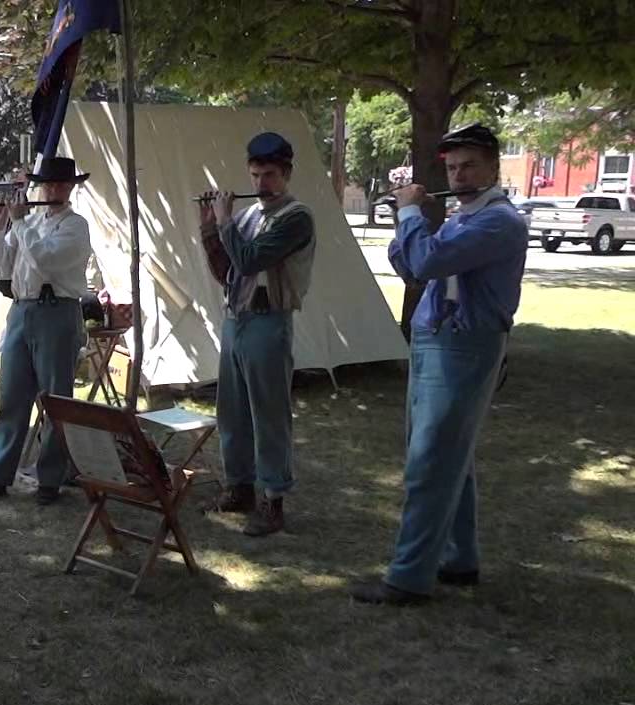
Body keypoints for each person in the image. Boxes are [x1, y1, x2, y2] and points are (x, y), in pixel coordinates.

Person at [352, 124, 527, 606]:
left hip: (463, 346)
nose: (459, 174)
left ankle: (408, 579)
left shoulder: (499, 222)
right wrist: (402, 218)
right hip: (435, 341)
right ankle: (458, 559)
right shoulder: (459, 219)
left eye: (469, 165)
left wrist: (411, 212)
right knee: (452, 458)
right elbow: (410, 266)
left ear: (494, 167)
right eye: (452, 167)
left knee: (430, 461)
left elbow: (426, 262)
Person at [200, 132, 316, 536]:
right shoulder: (249, 217)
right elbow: (227, 273)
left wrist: (225, 221)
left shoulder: (296, 217)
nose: (260, 184)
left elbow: (250, 260)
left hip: (269, 321)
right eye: (255, 175)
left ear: (285, 174)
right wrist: (211, 233)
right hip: (237, 318)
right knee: (231, 411)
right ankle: (239, 487)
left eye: (269, 175)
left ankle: (273, 498)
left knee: (268, 413)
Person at [0, 157, 92, 506]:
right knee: (11, 396)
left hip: (57, 312)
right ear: (40, 186)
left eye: (62, 185)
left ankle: (50, 479)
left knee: (55, 400)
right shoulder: (30, 221)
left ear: (71, 188)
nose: (54, 190)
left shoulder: (76, 226)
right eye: (49, 184)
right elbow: (0, 269)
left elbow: (45, 260)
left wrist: (19, 225)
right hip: (21, 309)